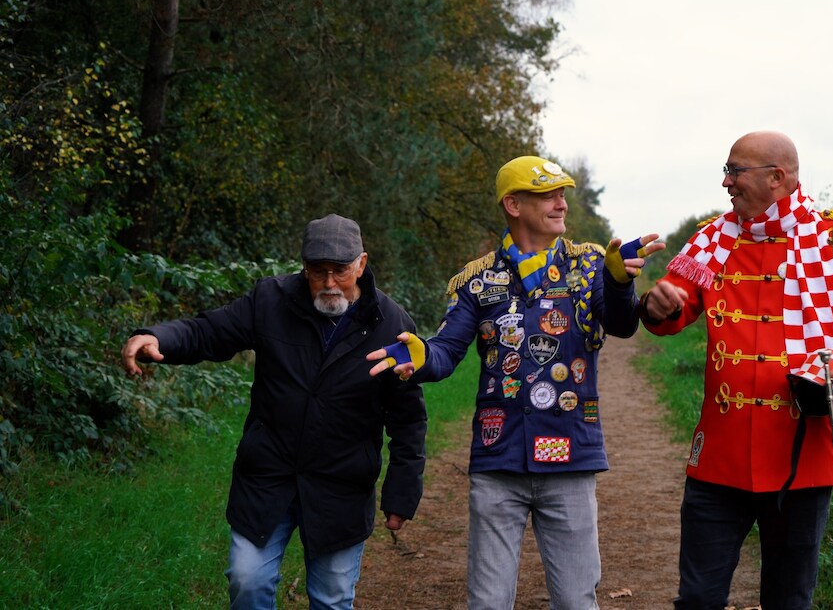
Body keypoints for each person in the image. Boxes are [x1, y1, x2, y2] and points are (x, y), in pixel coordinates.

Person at [639, 131, 833, 610]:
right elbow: (670, 311)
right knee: (698, 599)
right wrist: (655, 304)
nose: (726, 182)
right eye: (726, 171)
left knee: (789, 601)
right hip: (719, 457)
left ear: (776, 177)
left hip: (805, 457)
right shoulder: (711, 237)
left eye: (735, 171)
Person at [367, 155, 665, 610]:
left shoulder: (590, 265)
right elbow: (446, 352)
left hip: (570, 457)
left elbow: (622, 325)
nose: (561, 204)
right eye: (548, 195)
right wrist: (422, 356)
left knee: (576, 601)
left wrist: (619, 282)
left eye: (562, 194)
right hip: (499, 459)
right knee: (488, 602)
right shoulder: (478, 279)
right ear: (513, 204)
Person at [120, 214, 427, 610]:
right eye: (317, 271)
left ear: (361, 264)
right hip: (267, 477)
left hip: (341, 487)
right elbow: (209, 331)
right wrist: (157, 337)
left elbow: (408, 418)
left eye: (339, 270)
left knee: (332, 599)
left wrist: (401, 494)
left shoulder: (392, 324)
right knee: (247, 581)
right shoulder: (270, 300)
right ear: (303, 267)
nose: (329, 283)